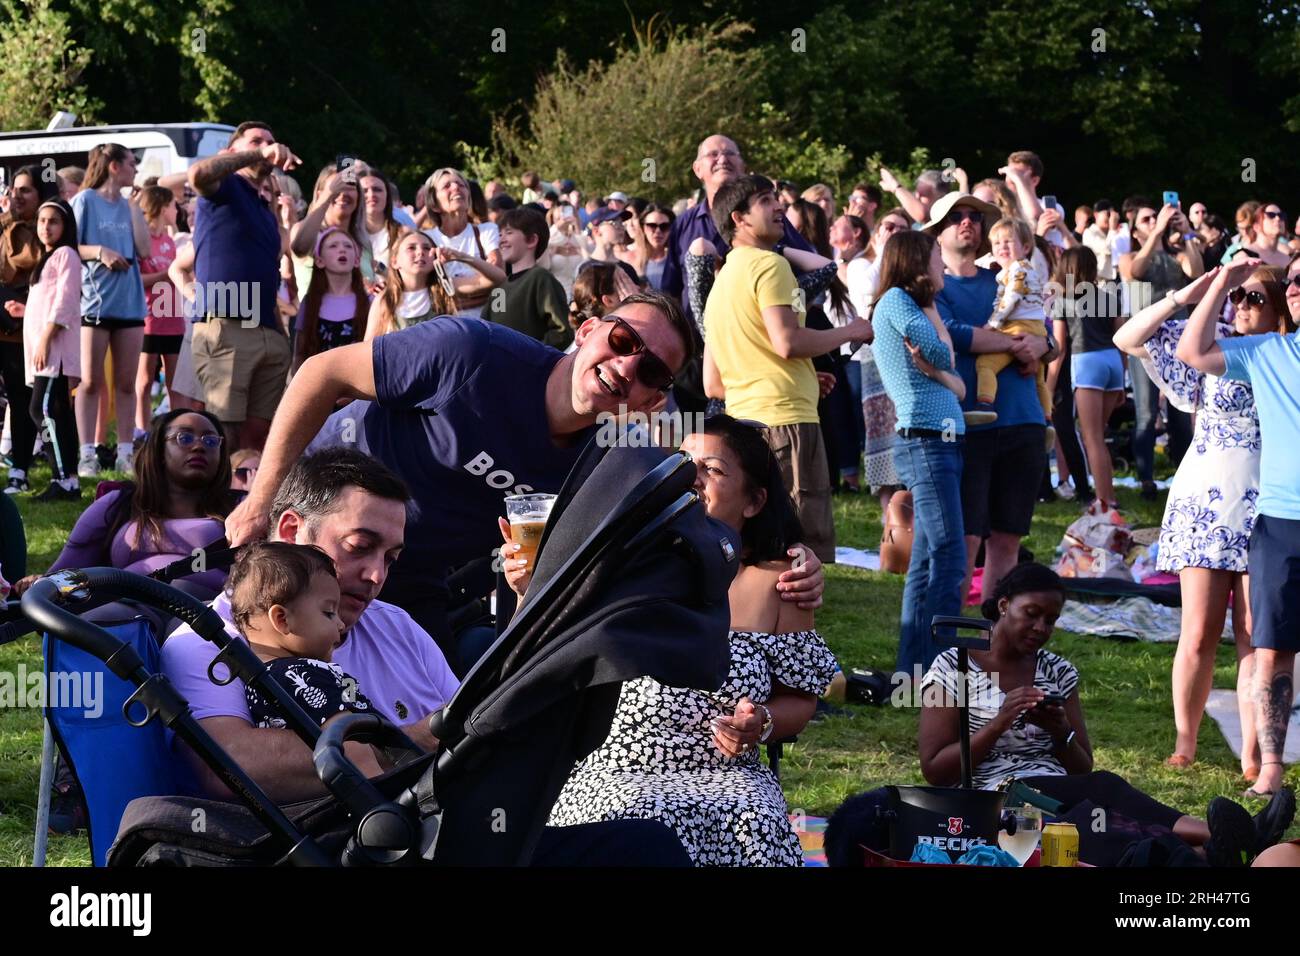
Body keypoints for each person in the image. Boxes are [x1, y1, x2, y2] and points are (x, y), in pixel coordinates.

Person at [227, 287, 826, 657]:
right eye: (623, 340)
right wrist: (261, 498)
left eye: (652, 373)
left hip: (414, 584)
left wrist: (792, 564)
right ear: (587, 329)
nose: (627, 367)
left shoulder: (609, 463)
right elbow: (320, 374)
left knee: (439, 722)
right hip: (310, 532)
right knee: (263, 660)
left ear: (652, 402)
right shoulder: (470, 353)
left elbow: (696, 523)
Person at [541, 416, 838, 865]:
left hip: (729, 773)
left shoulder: (780, 584)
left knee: (755, 818)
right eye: (683, 463)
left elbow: (800, 700)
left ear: (754, 501)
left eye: (712, 469)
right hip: (619, 768)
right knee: (641, 821)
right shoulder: (625, 566)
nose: (691, 477)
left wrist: (762, 723)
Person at [917, 563, 1293, 866]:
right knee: (1094, 815)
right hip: (994, 798)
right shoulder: (954, 667)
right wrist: (1000, 722)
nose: (1040, 628)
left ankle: (1225, 842)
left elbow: (1081, 765)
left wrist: (1060, 731)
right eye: (1031, 614)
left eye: (1050, 620)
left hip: (1061, 788)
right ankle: (1221, 843)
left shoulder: (1057, 671)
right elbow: (935, 768)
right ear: (1003, 605)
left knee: (1101, 794)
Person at [1116, 260, 1290, 777]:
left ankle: (1254, 752)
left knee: (1256, 634)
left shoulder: (1285, 355)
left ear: (1280, 306)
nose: (1241, 305)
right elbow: (1129, 336)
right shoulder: (1210, 348)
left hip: (1269, 505)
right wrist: (1199, 290)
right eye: (1238, 297)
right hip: (1207, 504)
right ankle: (1185, 741)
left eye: (1254, 298)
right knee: (1197, 633)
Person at [1176, 253, 1300, 801]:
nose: (1295, 289)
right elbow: (1192, 351)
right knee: (1270, 647)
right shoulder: (1267, 351)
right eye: (1293, 280)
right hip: (1277, 518)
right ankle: (1270, 764)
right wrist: (1221, 282)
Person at [701, 175, 872, 563]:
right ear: (740, 218)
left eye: (776, 197)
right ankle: (789, 625)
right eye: (765, 200)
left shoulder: (721, 281)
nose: (779, 206)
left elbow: (714, 382)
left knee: (759, 547)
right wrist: (852, 331)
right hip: (786, 424)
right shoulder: (769, 264)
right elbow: (788, 342)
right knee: (797, 549)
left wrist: (805, 377)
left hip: (744, 426)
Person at [926, 192, 1052, 602]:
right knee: (967, 539)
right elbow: (953, 335)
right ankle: (953, 640)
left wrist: (1043, 344)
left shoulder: (1007, 276)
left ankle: (994, 636)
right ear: (937, 233)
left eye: (975, 217)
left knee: (1007, 539)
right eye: (957, 217)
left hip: (1025, 421)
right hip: (968, 423)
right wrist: (1015, 342)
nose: (968, 222)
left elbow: (1042, 327)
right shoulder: (933, 286)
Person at [869, 229, 967, 676]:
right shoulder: (897, 302)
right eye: (936, 256)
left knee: (928, 560)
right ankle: (940, 669)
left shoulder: (908, 304)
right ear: (914, 262)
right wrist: (934, 323)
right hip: (926, 441)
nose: (943, 264)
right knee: (949, 554)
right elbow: (939, 354)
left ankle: (914, 672)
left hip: (935, 440)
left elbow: (943, 364)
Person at [13, 410, 235, 600]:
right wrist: (41, 584)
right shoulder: (118, 504)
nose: (198, 446)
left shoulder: (239, 511)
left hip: (208, 621)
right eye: (184, 438)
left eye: (210, 441)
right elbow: (65, 572)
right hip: (125, 615)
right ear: (159, 451)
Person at [187, 120, 301, 451]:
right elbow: (198, 176)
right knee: (225, 432)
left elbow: (280, 256)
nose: (266, 145)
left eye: (270, 140)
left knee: (262, 434)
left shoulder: (263, 209)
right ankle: (220, 501)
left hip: (268, 330)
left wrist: (281, 337)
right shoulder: (225, 189)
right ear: (232, 151)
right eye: (255, 141)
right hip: (227, 326)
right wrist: (256, 154)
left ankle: (251, 499)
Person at [228, 541, 384, 780]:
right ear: (282, 619)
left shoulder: (270, 678)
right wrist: (393, 802)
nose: (341, 625)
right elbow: (349, 742)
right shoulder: (296, 675)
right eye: (329, 613)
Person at [70, 144, 150, 476]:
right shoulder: (86, 200)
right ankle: (86, 452)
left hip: (129, 303)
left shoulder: (130, 205)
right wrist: (99, 251)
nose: (136, 169)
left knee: (126, 382)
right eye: (132, 163)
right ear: (114, 166)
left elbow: (144, 250)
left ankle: (125, 453)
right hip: (94, 301)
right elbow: (67, 245)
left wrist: (134, 207)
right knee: (90, 381)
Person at [1118, 198, 1203, 499]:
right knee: (1146, 410)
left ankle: (1183, 474)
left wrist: (1188, 232)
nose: (1155, 220)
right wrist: (1155, 235)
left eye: (1157, 217)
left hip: (1178, 340)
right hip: (1144, 343)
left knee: (1181, 411)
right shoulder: (1128, 256)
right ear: (1135, 230)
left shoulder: (1176, 254)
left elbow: (1196, 271)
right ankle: (1146, 480)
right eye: (1147, 219)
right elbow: (1136, 272)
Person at [13, 199, 82, 501]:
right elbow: (47, 302)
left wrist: (45, 338)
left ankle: (62, 478)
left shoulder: (66, 254)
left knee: (40, 410)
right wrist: (24, 310)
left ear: (65, 226)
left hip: (54, 351)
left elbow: (65, 301)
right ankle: (68, 480)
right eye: (42, 221)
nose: (46, 227)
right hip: (45, 351)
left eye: (53, 221)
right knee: (55, 413)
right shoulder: (49, 257)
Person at [1049, 247, 1124, 507]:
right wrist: (1122, 380)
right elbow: (1122, 338)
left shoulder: (1063, 300)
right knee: (1098, 437)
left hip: (1087, 362)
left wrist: (1048, 387)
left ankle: (1105, 502)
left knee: (1091, 438)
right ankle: (1108, 497)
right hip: (1113, 361)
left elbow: (1059, 348)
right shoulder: (1110, 296)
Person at [0, 166, 59, 493]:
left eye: (25, 190)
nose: (17, 196)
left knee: (24, 402)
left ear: (40, 195)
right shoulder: (1, 226)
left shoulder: (46, 231)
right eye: (14, 189)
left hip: (23, 328)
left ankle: (19, 470)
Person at [976, 217, 1052, 429]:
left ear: (1026, 247)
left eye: (1008, 242)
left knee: (985, 364)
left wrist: (992, 324)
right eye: (997, 243)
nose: (1002, 247)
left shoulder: (1017, 270)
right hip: (1035, 327)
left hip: (1019, 326)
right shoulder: (1024, 270)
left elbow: (1011, 298)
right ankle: (1047, 419)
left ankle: (984, 404)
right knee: (1038, 379)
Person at [481, 207, 571, 349]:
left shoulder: (540, 278)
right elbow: (488, 328)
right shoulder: (501, 288)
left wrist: (532, 355)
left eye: (509, 233)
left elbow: (562, 330)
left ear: (531, 240)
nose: (501, 240)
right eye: (500, 235)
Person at [422, 167, 502, 318]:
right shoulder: (425, 239)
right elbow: (430, 290)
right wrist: (483, 281)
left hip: (488, 324)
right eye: (447, 186)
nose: (456, 187)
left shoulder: (486, 231)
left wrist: (459, 256)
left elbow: (498, 276)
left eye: (462, 185)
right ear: (434, 204)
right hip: (448, 328)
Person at [134, 185, 182, 434]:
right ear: (163, 208)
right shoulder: (143, 241)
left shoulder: (169, 242)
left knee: (175, 384)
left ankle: (174, 432)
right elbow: (136, 279)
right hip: (149, 318)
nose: (177, 210)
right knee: (143, 381)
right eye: (173, 205)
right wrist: (165, 275)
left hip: (173, 319)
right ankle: (142, 431)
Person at [292, 227, 370, 374]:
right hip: (319, 385)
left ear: (357, 260)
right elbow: (299, 355)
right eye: (333, 246)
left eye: (348, 246)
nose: (342, 250)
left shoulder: (371, 302)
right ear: (320, 261)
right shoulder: (309, 304)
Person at [362, 229, 457, 340]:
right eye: (411, 248)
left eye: (427, 248)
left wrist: (459, 256)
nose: (420, 252)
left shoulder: (445, 290)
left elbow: (482, 280)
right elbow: (369, 346)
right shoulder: (385, 299)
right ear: (394, 261)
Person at [1228, 202, 1290, 267]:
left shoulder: (1287, 258)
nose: (1278, 218)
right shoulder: (1244, 257)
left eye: (1281, 215)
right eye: (1271, 215)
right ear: (1256, 226)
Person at [636, 203, 674, 290]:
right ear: (643, 228)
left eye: (664, 226)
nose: (658, 231)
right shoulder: (631, 259)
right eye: (652, 226)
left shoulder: (678, 261)